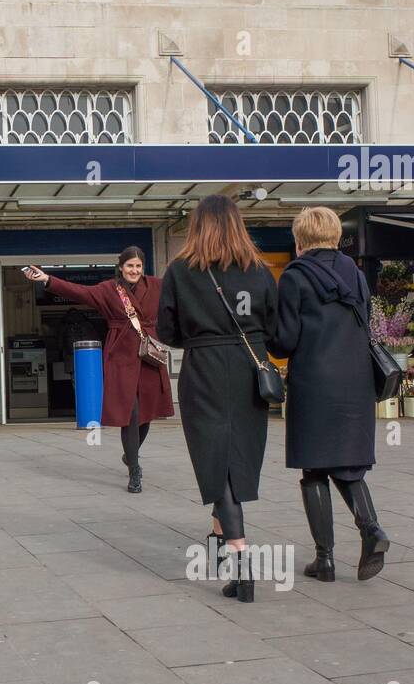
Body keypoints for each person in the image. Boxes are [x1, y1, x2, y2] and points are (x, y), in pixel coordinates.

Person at [157, 195, 278, 603]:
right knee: (238, 457)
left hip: (203, 368)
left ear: (197, 227)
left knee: (215, 460)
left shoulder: (180, 270)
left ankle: (241, 563)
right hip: (249, 366)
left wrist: (198, 336)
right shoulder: (259, 269)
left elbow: (166, 330)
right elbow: (276, 328)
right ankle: (218, 537)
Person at [268, 206, 390, 582]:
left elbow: (285, 341)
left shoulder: (294, 276)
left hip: (315, 383)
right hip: (356, 383)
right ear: (336, 235)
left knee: (314, 468)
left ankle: (325, 560)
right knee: (349, 464)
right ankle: (371, 529)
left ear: (300, 238)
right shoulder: (355, 273)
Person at [23, 249, 174, 494]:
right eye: (129, 266)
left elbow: (182, 290)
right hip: (122, 356)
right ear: (121, 267)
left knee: (147, 415)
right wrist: (47, 280)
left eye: (137, 266)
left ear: (143, 267)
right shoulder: (108, 290)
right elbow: (78, 291)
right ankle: (134, 470)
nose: (134, 271)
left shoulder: (157, 286)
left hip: (150, 357)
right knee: (131, 414)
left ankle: (130, 454)